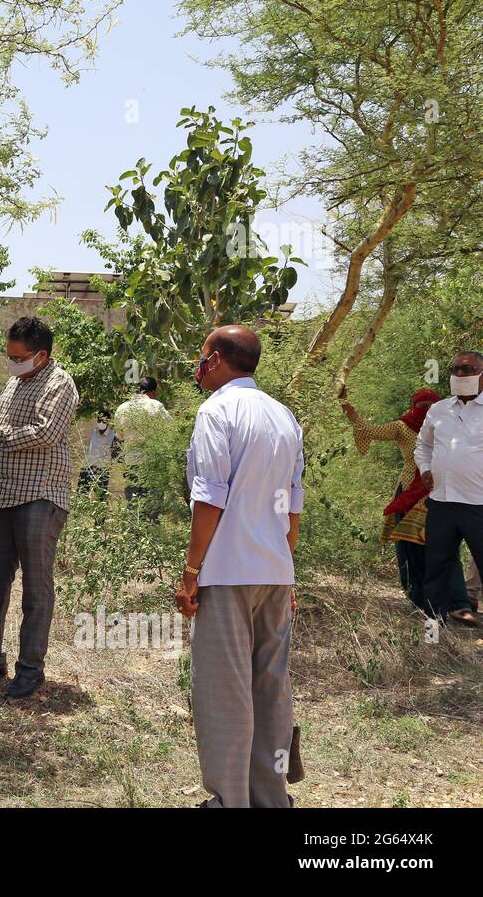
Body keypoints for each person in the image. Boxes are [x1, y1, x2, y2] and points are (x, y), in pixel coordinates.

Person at [177, 325, 303, 808]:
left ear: (215, 361)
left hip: (227, 572)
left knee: (225, 691)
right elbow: (292, 507)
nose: (198, 364)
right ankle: (271, 798)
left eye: (202, 356)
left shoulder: (217, 412)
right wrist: (286, 568)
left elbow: (209, 500)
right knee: (270, 688)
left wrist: (191, 573)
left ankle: (229, 801)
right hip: (273, 571)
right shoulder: (283, 416)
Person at [0, 316, 79, 698]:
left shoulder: (59, 384)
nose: (11, 362)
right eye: (9, 355)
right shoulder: (15, 382)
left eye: (18, 357)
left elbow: (45, 432)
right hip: (3, 496)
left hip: (38, 498)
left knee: (36, 589)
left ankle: (29, 671)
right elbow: (10, 426)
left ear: (42, 355)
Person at [339, 388, 473, 623]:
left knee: (446, 549)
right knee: (411, 550)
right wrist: (350, 410)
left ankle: (458, 604)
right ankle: (420, 601)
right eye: (422, 405)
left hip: (443, 492)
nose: (426, 410)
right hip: (411, 494)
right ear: (414, 406)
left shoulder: (448, 425)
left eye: (431, 405)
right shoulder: (402, 427)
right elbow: (370, 431)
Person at [415, 350, 483, 629]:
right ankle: (433, 635)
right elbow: (424, 445)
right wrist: (426, 469)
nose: (459, 374)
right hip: (442, 503)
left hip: (478, 505)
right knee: (437, 571)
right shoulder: (439, 409)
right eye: (455, 369)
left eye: (468, 369)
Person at [113, 376, 171, 514]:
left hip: (131, 464)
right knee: (153, 509)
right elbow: (170, 430)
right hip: (153, 464)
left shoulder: (122, 408)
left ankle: (135, 534)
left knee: (134, 508)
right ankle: (152, 534)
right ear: (152, 392)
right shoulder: (156, 406)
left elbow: (119, 436)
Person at [77, 413, 118, 500]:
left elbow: (114, 453)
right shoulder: (93, 432)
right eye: (99, 420)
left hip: (102, 469)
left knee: (101, 497)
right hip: (88, 466)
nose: (101, 423)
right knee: (81, 493)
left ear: (108, 422)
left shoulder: (113, 436)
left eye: (103, 421)